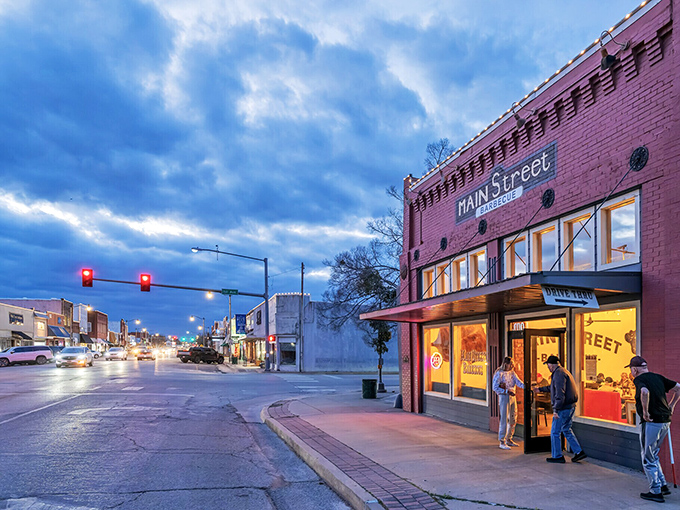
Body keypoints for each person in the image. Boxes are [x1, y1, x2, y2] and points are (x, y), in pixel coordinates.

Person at [627, 355, 680, 503]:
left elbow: (644, 392)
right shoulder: (658, 377)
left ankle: (655, 491)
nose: (631, 372)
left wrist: (645, 412)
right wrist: (672, 405)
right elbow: (678, 388)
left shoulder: (639, 380)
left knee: (647, 456)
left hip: (651, 422)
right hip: (665, 421)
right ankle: (662, 485)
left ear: (635, 369)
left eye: (631, 369)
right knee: (654, 453)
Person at [533, 355, 587, 463]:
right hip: (570, 407)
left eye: (548, 364)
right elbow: (552, 388)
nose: (547, 367)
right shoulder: (563, 371)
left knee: (554, 432)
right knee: (566, 429)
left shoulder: (558, 374)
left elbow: (559, 394)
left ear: (552, 365)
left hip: (563, 408)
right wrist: (540, 389)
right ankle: (579, 452)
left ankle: (557, 456)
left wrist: (555, 410)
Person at [492, 356, 524, 450]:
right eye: (511, 364)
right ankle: (502, 440)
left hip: (512, 396)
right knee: (504, 419)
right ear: (506, 364)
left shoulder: (512, 373)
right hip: (504, 397)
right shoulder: (499, 373)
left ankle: (509, 438)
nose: (512, 365)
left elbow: (518, 382)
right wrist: (506, 391)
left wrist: (527, 386)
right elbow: (495, 387)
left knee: (513, 417)